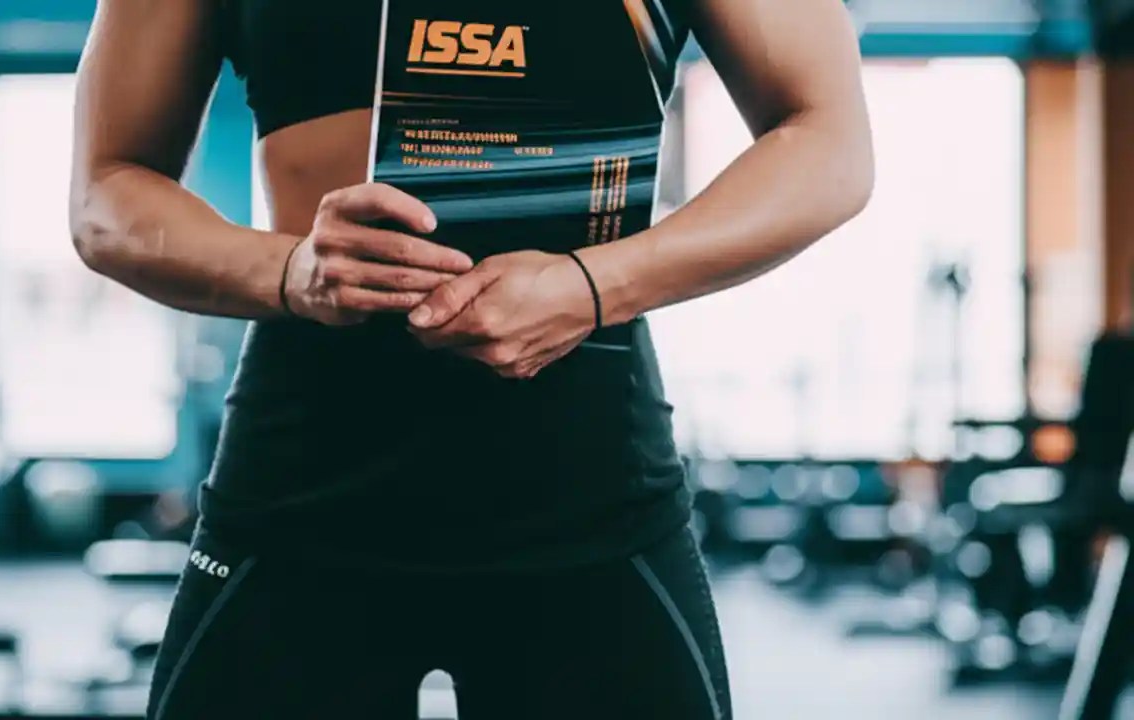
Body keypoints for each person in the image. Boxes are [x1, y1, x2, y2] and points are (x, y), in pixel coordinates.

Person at [69, 0, 872, 718]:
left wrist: (597, 285)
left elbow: (828, 139)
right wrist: (290, 272)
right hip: (308, 474)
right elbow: (107, 186)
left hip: (585, 481)